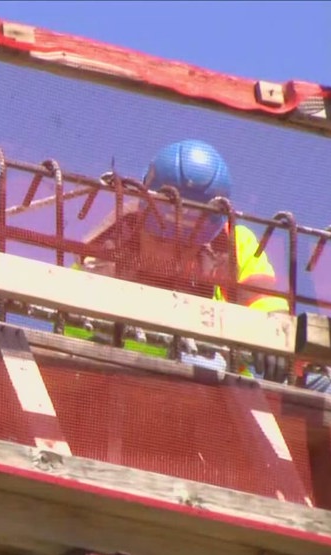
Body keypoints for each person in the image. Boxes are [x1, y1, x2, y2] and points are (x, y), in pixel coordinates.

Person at [64, 139, 297, 384]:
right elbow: (74, 333)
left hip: (226, 389)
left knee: (330, 384)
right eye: (162, 239)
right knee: (200, 365)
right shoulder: (106, 251)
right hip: (126, 386)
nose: (174, 256)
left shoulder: (234, 244)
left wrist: (273, 333)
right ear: (144, 216)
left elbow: (266, 301)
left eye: (187, 245)